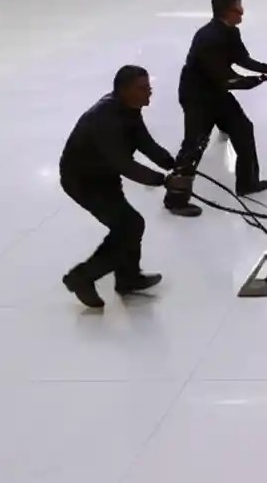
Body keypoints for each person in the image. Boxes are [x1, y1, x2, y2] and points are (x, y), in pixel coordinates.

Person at [60, 66, 191, 308]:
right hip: (82, 180)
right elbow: (123, 164)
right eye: (142, 89)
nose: (148, 93)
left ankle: (127, 277)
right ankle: (82, 277)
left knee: (127, 224)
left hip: (103, 175)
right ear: (124, 90)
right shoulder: (105, 119)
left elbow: (144, 142)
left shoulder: (129, 109)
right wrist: (163, 180)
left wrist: (172, 163)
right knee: (129, 225)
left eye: (149, 88)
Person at [165, 0, 267, 217]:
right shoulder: (208, 38)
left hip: (216, 91)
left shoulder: (231, 32)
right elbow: (227, 79)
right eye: (238, 9)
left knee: (243, 128)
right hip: (198, 96)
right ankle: (175, 199)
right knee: (194, 145)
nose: (242, 12)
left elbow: (242, 59)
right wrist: (258, 80)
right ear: (227, 11)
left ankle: (247, 182)